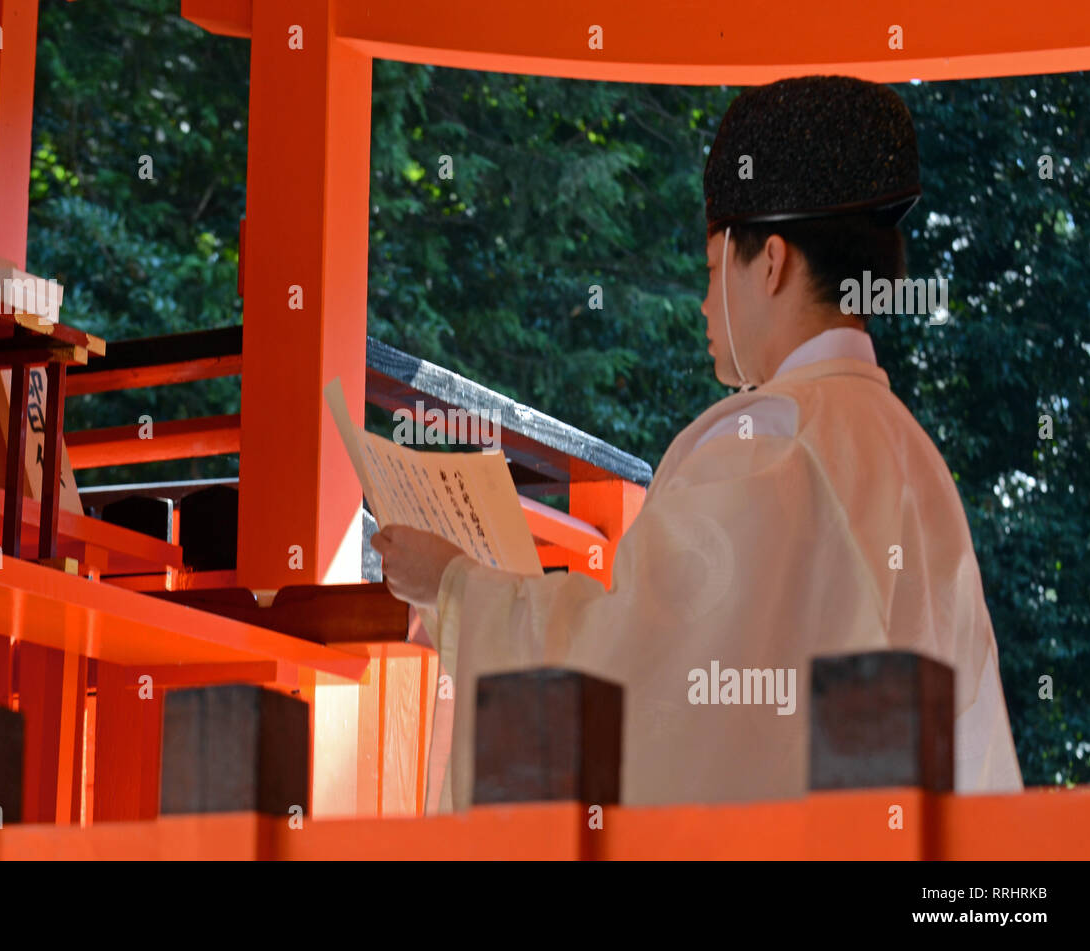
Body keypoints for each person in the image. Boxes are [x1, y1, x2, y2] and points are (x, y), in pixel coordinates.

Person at [372, 75, 1024, 813]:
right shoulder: (916, 462)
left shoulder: (770, 442)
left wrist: (457, 588)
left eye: (714, 269)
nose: (706, 302)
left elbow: (629, 673)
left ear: (770, 260)